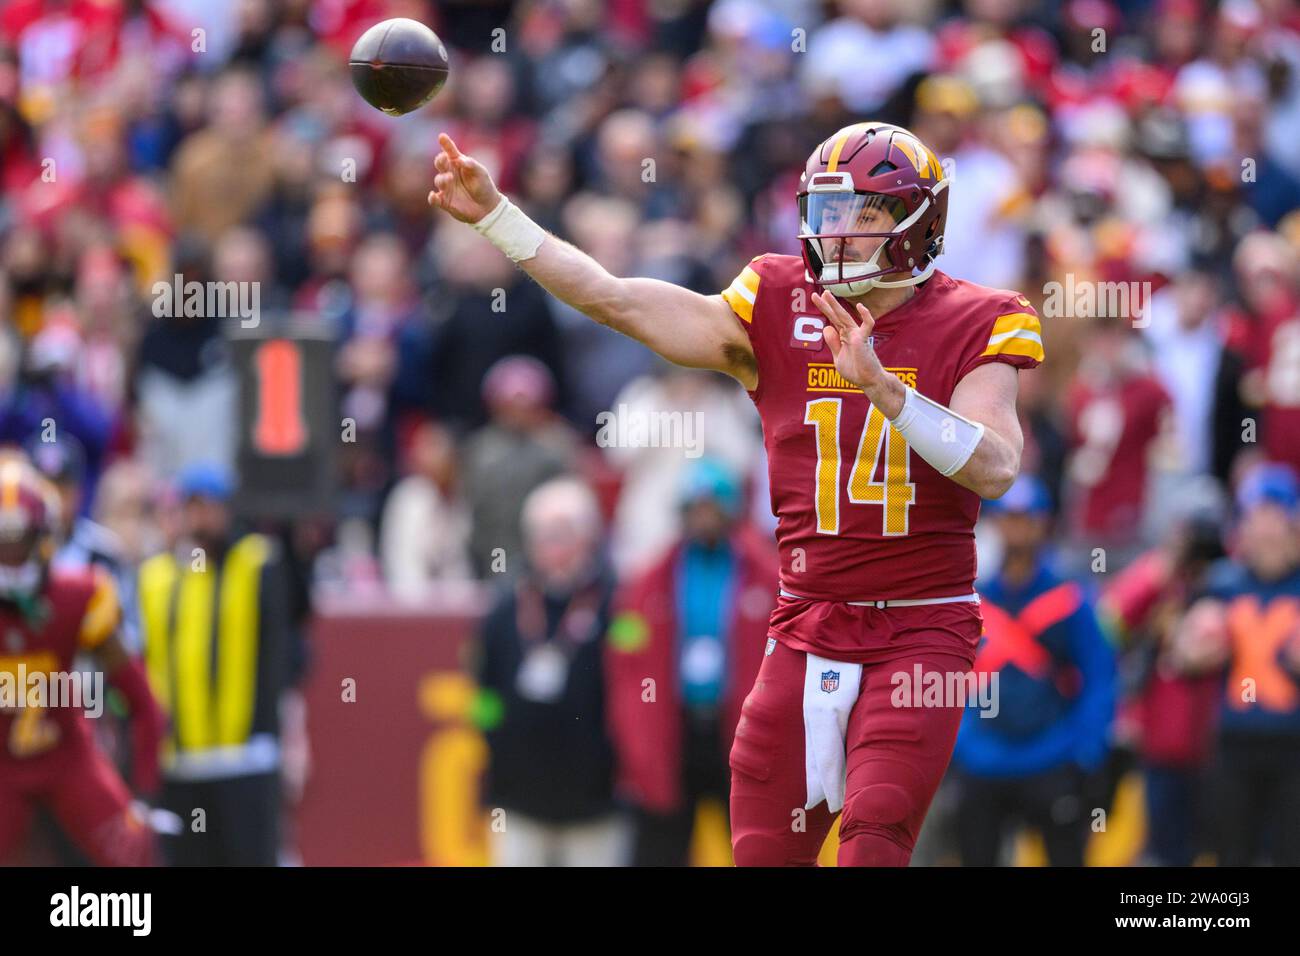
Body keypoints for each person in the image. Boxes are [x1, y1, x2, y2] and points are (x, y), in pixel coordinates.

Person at [430, 120, 1043, 866]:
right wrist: (498, 215)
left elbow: (996, 466)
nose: (837, 232)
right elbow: (616, 301)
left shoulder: (982, 318)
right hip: (805, 625)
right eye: (826, 211)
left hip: (919, 628)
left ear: (919, 222)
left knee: (875, 837)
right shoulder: (778, 299)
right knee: (760, 847)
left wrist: (886, 391)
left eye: (863, 213)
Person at [605, 458, 777, 866]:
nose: (703, 517)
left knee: (756, 848)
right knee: (659, 849)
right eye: (694, 508)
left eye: (712, 507)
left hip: (740, 732)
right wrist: (636, 738)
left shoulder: (767, 577)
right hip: (674, 730)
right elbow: (625, 664)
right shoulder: (645, 583)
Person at [137, 461, 304, 865]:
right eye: (193, 506)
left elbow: (293, 641)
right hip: (181, 763)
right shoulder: (158, 577)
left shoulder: (256, 564)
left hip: (245, 760)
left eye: (210, 506)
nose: (201, 517)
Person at [0, 454, 163, 866]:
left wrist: (142, 790)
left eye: (20, 542)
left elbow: (144, 703)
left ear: (44, 538)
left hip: (67, 758)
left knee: (135, 851)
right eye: (3, 544)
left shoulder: (77, 596)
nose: (12, 557)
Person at [950, 475, 1116, 866]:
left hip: (1052, 756)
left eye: (1027, 518)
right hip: (983, 760)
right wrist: (962, 745)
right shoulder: (972, 598)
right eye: (1009, 518)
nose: (1018, 528)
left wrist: (1085, 749)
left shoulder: (1070, 599)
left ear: (1044, 523)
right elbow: (952, 680)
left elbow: (1100, 676)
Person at [472, 477, 624, 866]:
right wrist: (492, 745)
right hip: (518, 799)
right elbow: (483, 693)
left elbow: (634, 692)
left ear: (589, 538)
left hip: (595, 802)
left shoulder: (616, 606)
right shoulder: (505, 610)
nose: (551, 548)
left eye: (561, 534)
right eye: (540, 536)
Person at [1172, 463, 1300, 865]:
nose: (1262, 528)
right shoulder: (1222, 584)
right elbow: (1180, 656)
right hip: (1234, 745)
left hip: (1293, 747)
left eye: (1271, 515)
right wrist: (1194, 647)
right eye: (1254, 516)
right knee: (1231, 853)